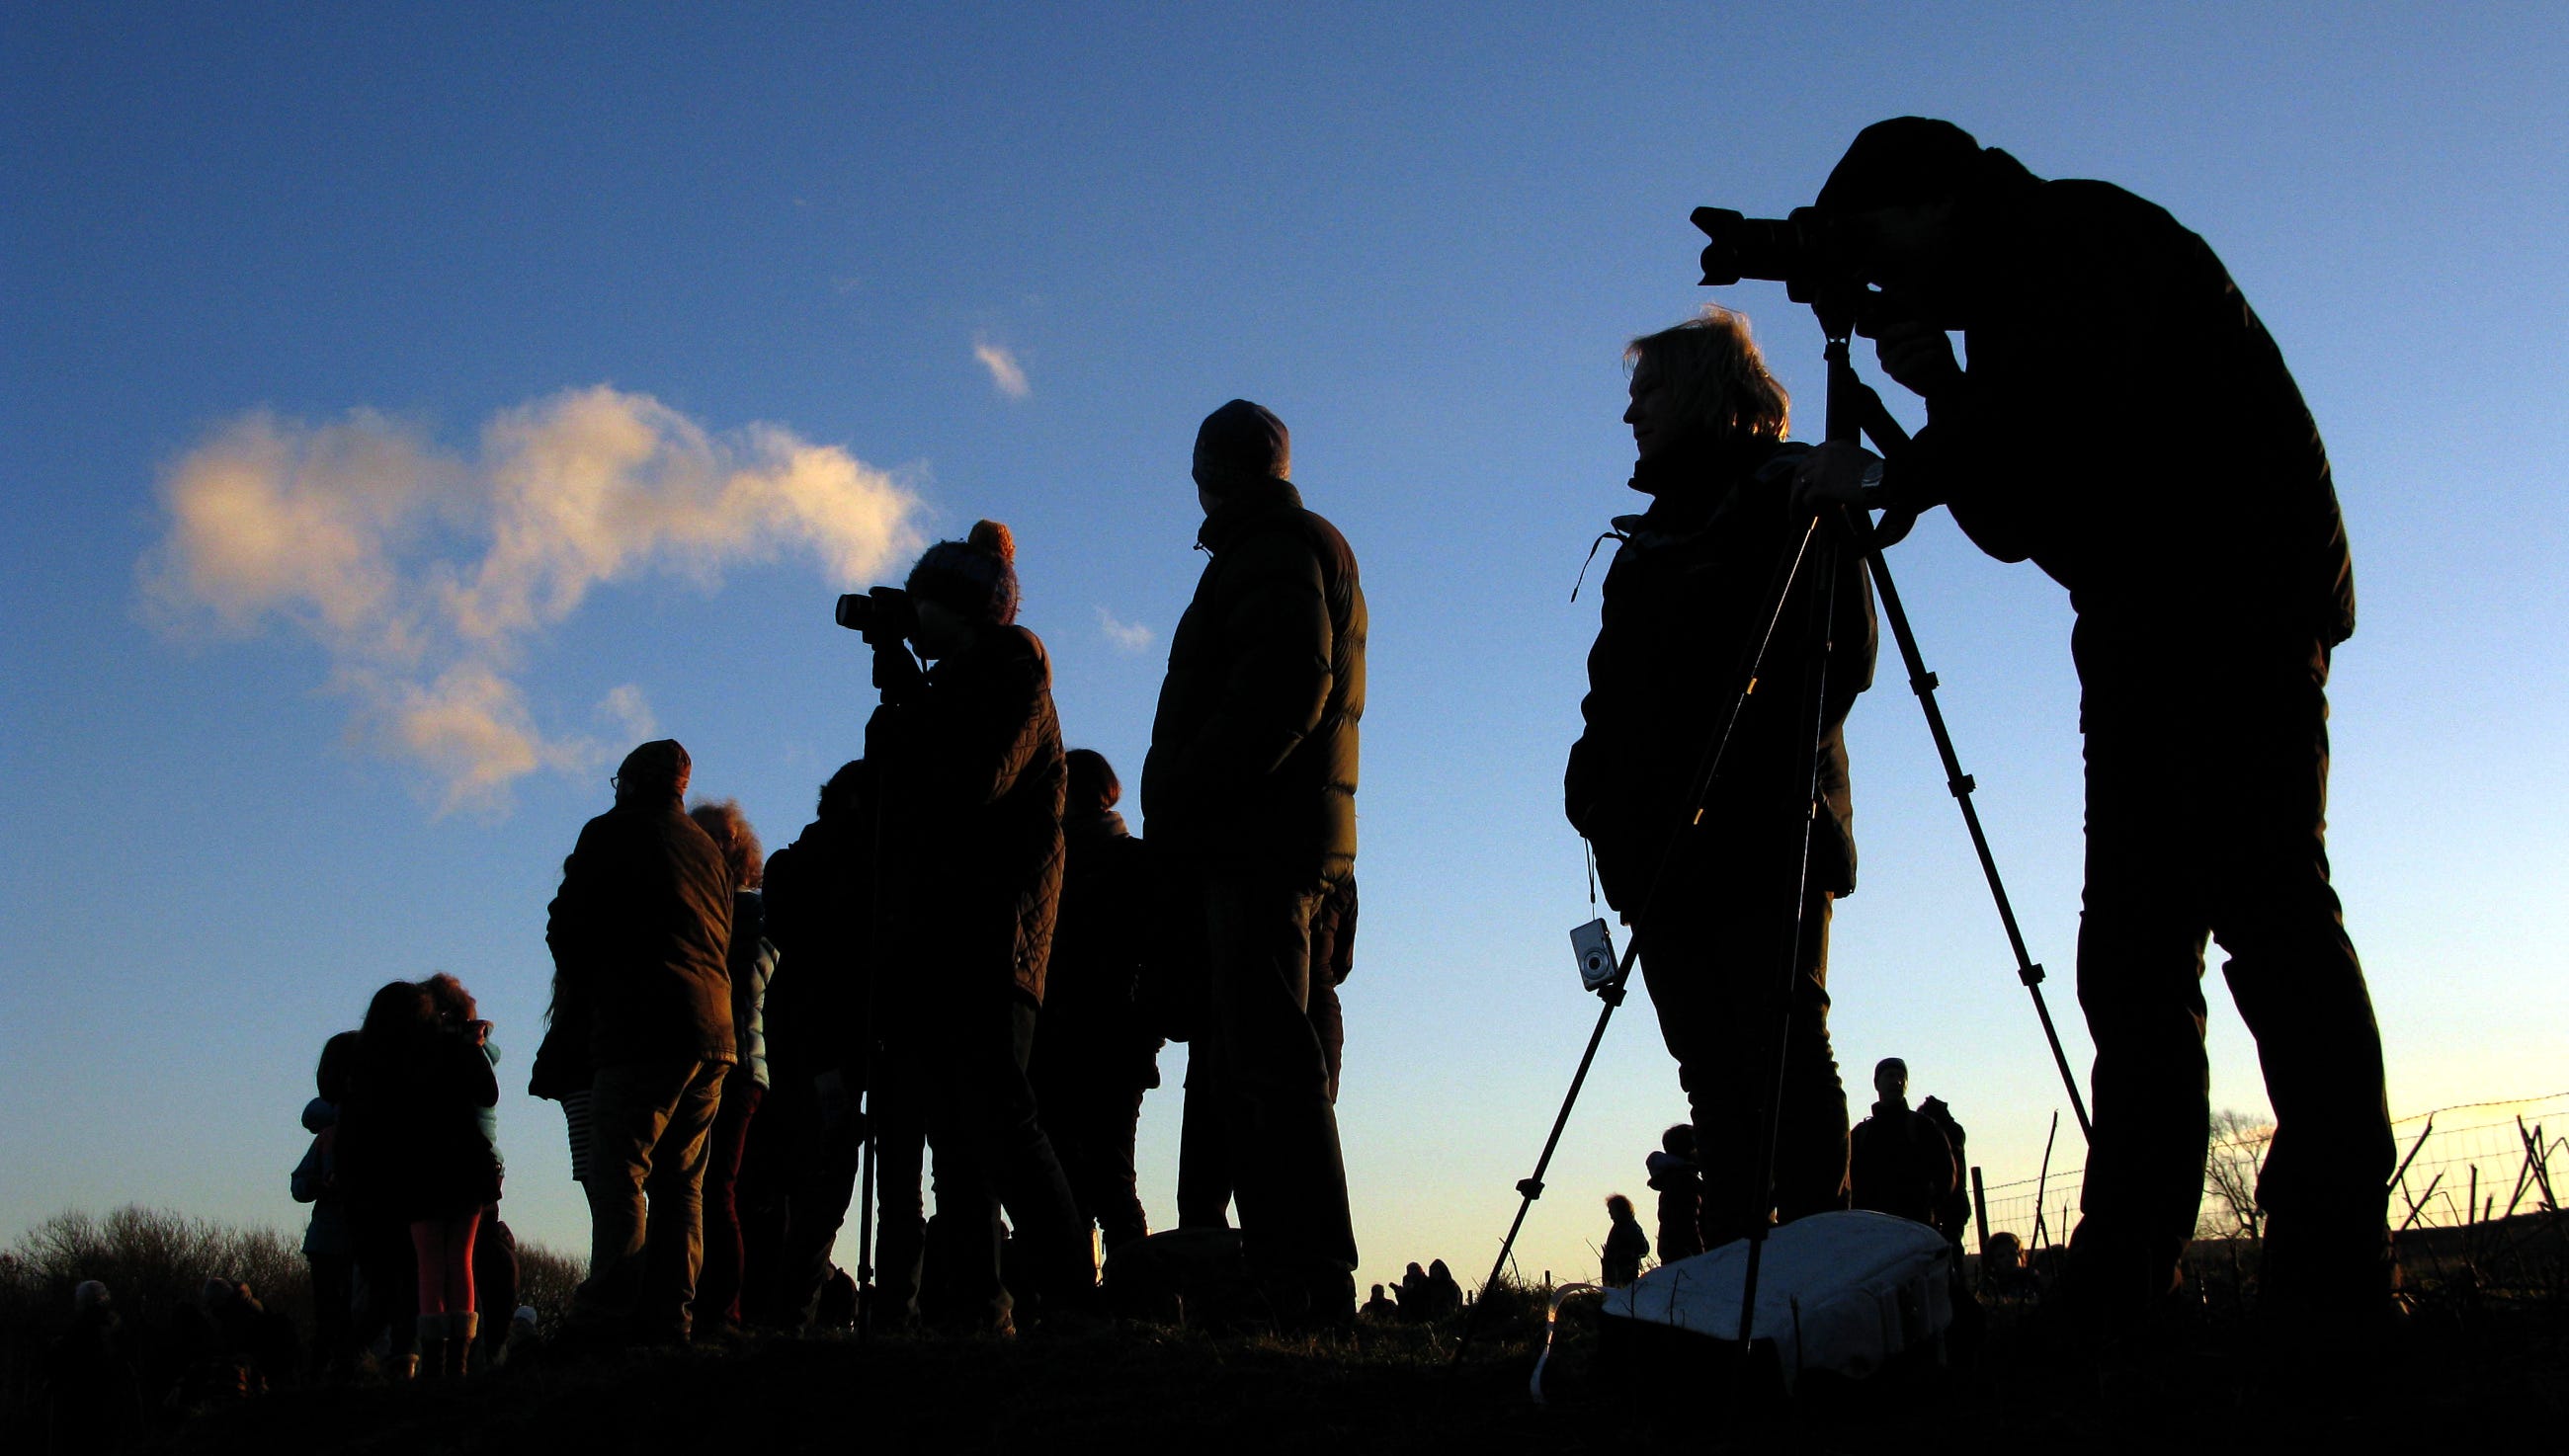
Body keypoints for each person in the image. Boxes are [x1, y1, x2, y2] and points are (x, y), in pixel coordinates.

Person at [1790, 118, 2391, 1329]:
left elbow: (2054, 451)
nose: (1887, 277)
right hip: (2147, 620)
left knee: (2263, 914)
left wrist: (1932, 424)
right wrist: (1943, 398)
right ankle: (2128, 1262)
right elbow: (2019, 511)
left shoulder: (2071, 244)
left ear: (1936, 202)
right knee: (2130, 952)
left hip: (2225, 601)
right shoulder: (2025, 278)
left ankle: (2329, 1257)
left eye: (1879, 244)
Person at [1566, 308, 1876, 1251]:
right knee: (1708, 1062)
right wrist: (1593, 783)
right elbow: (1612, 686)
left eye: (1647, 393)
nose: (1630, 417)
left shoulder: (1788, 493)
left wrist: (1737, 775)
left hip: (1767, 823)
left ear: (1700, 390)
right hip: (1659, 842)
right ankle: (1742, 1251)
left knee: (1784, 1042)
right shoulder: (1652, 534)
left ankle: (1818, 1258)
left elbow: (1840, 663)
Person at [1142, 398, 1367, 1327]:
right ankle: (1296, 1272)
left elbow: (1286, 687)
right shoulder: (1289, 545)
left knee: (1270, 1063)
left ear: (1212, 471)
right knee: (1273, 1057)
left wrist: (1189, 792)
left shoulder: (1273, 550)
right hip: (1284, 837)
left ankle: (1305, 1279)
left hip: (1257, 843)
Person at [864, 520, 1089, 1332]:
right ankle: (975, 1304)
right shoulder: (964, 677)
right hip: (954, 934)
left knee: (998, 1117)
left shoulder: (1010, 668)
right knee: (960, 1139)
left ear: (949, 605)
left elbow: (970, 780)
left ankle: (1068, 1295)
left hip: (994, 934)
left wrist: (906, 703)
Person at [547, 738, 736, 1344]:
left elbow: (567, 924)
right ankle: (669, 1320)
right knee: (682, 1183)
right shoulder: (707, 849)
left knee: (618, 1172)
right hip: (714, 1030)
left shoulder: (610, 833)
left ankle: (607, 1317)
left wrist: (591, 984)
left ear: (628, 782)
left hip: (641, 1025)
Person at [745, 759, 882, 1328]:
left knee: (786, 1171)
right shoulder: (869, 863)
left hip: (792, 1031)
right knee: (828, 1177)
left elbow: (778, 927)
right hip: (843, 1035)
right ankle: (797, 1305)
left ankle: (776, 1307)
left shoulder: (787, 864)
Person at [1031, 748, 1162, 1256]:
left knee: (1081, 1173)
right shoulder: (1135, 859)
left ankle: (1082, 1297)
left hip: (1076, 1035)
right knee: (1109, 1172)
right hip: (1117, 1039)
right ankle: (1128, 1294)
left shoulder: (1053, 865)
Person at [334, 978, 500, 1378]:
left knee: (423, 1266)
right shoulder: (454, 1049)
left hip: (415, 1171)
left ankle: (423, 1358)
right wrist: (474, 1047)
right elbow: (487, 1094)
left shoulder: (385, 1063)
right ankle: (457, 1361)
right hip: (463, 1164)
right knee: (460, 1260)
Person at [688, 797, 776, 1335]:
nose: (721, 847)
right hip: (719, 1059)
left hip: (738, 1062)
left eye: (727, 838)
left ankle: (721, 1311)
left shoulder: (751, 911)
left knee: (717, 1186)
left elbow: (750, 983)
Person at [290, 1031, 359, 1380]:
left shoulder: (328, 1131)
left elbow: (298, 1184)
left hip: (330, 1238)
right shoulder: (330, 1133)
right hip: (339, 1238)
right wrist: (320, 1185)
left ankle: (324, 1377)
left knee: (333, 1319)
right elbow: (299, 1183)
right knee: (336, 1317)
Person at [1848, 1058, 1957, 1229]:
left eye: (1901, 1077)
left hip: (1916, 1227)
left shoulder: (1924, 1127)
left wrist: (1930, 1207)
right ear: (1877, 1084)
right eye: (1890, 1076)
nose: (1897, 1081)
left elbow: (1946, 1174)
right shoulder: (1861, 1133)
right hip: (1871, 1228)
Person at [1645, 1123, 1704, 1263]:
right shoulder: (1685, 1181)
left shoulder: (1674, 1179)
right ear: (1690, 1149)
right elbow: (1688, 1225)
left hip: (1673, 1256)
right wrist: (1701, 1258)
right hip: (1687, 1259)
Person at [1601, 1194, 1650, 1288]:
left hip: (1625, 1280)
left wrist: (1625, 1255)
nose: (1609, 1213)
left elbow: (1644, 1249)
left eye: (1611, 1210)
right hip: (1615, 1280)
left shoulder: (1629, 1227)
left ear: (1620, 1210)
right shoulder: (1619, 1227)